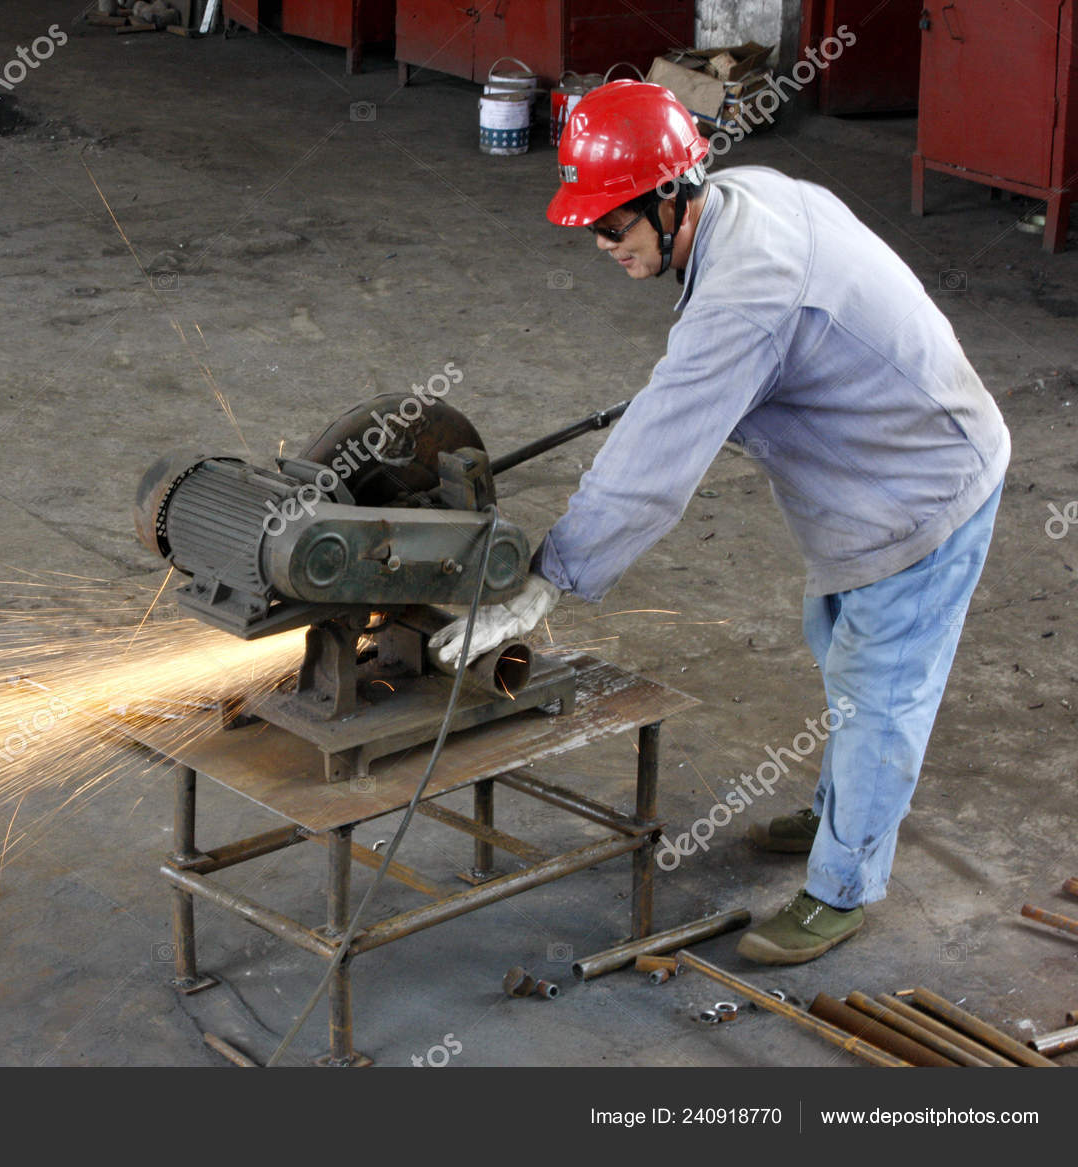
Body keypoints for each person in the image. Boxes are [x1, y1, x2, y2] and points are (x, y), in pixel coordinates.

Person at [430, 81, 1009, 965]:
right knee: (837, 644)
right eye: (590, 228)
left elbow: (652, 472)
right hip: (868, 472)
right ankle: (841, 809)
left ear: (671, 197)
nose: (602, 247)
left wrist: (550, 577)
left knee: (881, 688)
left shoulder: (747, 298)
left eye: (613, 227)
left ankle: (842, 887)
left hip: (922, 488)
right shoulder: (748, 196)